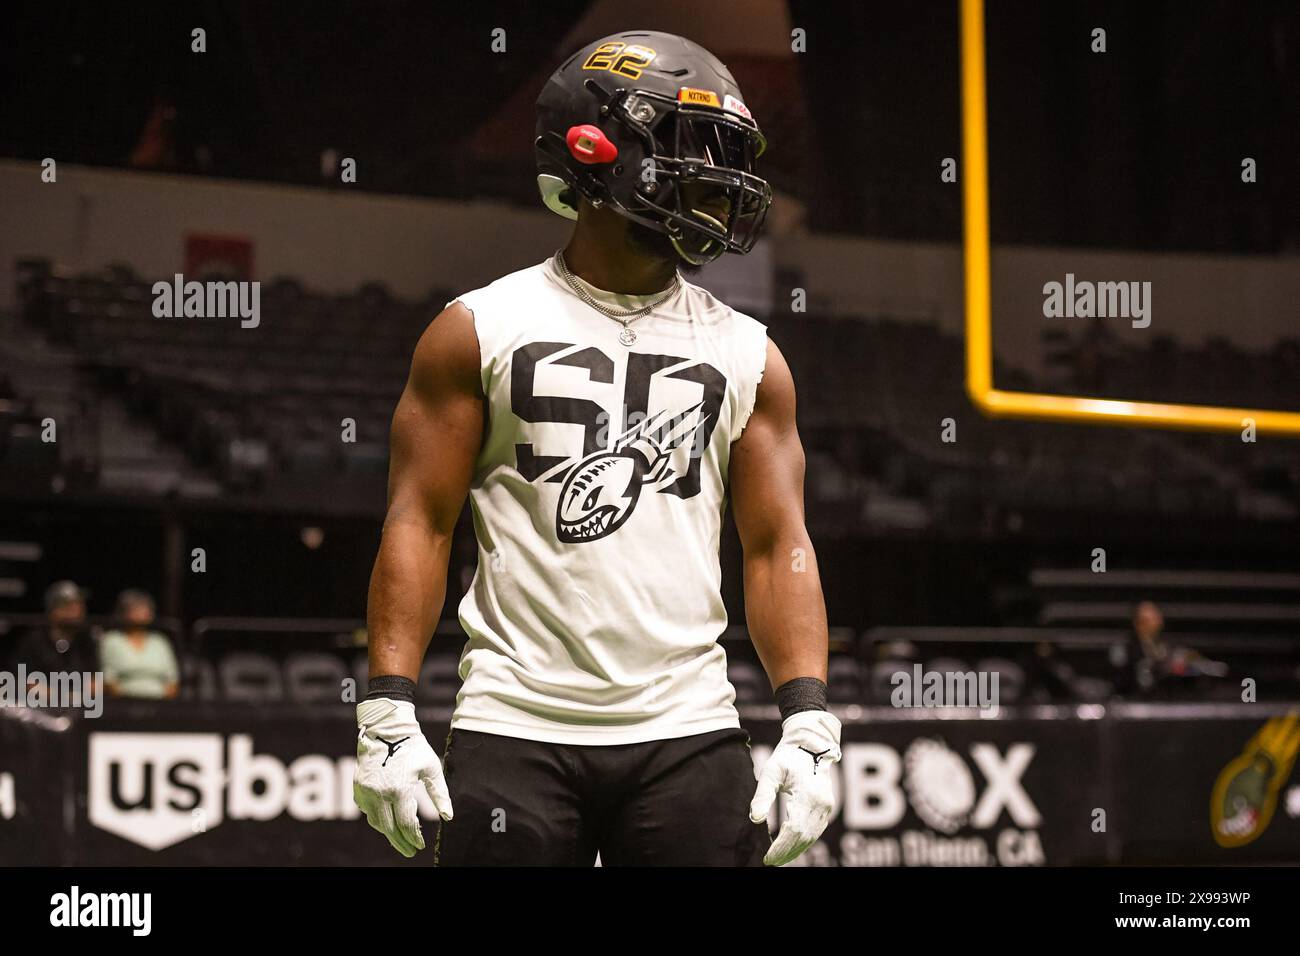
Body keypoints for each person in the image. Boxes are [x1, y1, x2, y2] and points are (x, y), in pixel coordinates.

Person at [354, 31, 840, 867]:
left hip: (689, 730)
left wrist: (808, 715)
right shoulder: (478, 328)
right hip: (514, 726)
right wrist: (387, 710)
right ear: (597, 150)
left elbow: (776, 546)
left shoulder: (752, 353)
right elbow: (420, 521)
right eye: (691, 146)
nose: (718, 181)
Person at [11, 580, 98, 693]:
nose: (77, 610)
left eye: (79, 604)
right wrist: (59, 697)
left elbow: (94, 681)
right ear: (53, 610)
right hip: (41, 705)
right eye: (68, 605)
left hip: (80, 704)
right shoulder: (35, 640)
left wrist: (79, 697)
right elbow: (26, 682)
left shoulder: (85, 640)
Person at [99, 589, 179, 699]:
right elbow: (108, 679)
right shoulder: (112, 640)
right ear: (124, 612)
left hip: (160, 704)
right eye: (136, 608)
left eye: (145, 608)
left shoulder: (160, 641)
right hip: (123, 704)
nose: (142, 612)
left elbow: (172, 680)